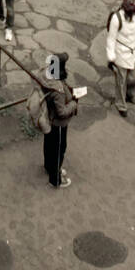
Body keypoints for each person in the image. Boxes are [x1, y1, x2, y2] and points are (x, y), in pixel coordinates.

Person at [33, 52, 81, 189]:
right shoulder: (58, 90)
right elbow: (62, 112)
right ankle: (56, 179)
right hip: (58, 124)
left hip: (49, 119)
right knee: (59, 149)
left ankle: (49, 167)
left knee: (49, 146)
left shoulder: (46, 77)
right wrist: (74, 103)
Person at [106, 0, 135, 116]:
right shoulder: (116, 18)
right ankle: (121, 104)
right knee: (121, 81)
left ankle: (130, 93)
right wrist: (111, 58)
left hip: (133, 51)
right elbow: (111, 39)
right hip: (120, 53)